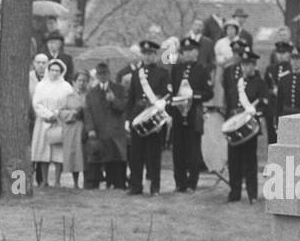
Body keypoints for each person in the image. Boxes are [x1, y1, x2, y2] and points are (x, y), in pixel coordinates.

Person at [167, 37, 213, 193]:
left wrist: (194, 95)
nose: (187, 53)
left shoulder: (202, 70)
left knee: (193, 150)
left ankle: (192, 183)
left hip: (194, 113)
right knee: (178, 149)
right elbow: (171, 91)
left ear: (196, 52)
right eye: (185, 51)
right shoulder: (177, 69)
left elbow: (208, 93)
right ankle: (179, 183)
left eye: (190, 50)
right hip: (178, 114)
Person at [126, 40, 171, 196]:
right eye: (144, 54)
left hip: (154, 115)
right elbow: (131, 98)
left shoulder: (163, 73)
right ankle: (135, 185)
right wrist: (128, 119)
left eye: (150, 54)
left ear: (155, 55)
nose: (147, 57)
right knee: (135, 154)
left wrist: (161, 103)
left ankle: (154, 186)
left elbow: (168, 94)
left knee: (153, 154)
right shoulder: (136, 74)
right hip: (138, 114)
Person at [224, 50, 269, 203]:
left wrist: (256, 112)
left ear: (254, 66)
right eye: (243, 64)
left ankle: (252, 194)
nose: (245, 67)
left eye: (249, 64)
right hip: (236, 124)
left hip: (249, 126)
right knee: (233, 160)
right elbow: (230, 104)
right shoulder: (236, 83)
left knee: (250, 161)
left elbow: (264, 104)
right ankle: (234, 193)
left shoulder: (260, 83)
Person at [82, 62, 129, 190]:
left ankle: (117, 183)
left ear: (109, 74)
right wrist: (90, 130)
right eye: (100, 74)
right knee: (96, 156)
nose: (103, 76)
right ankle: (94, 184)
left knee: (116, 159)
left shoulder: (119, 89)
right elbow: (87, 113)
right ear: (96, 75)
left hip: (115, 131)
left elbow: (123, 107)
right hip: (98, 131)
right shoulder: (91, 93)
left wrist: (113, 100)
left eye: (105, 73)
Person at [32, 59, 75, 188]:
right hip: (43, 121)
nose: (54, 73)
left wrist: (56, 114)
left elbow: (68, 103)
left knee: (58, 152)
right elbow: (36, 103)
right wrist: (47, 114)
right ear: (48, 70)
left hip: (58, 122)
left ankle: (57, 180)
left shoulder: (66, 86)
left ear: (62, 72)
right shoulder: (41, 85)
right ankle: (44, 180)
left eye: (57, 70)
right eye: (52, 70)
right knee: (43, 151)